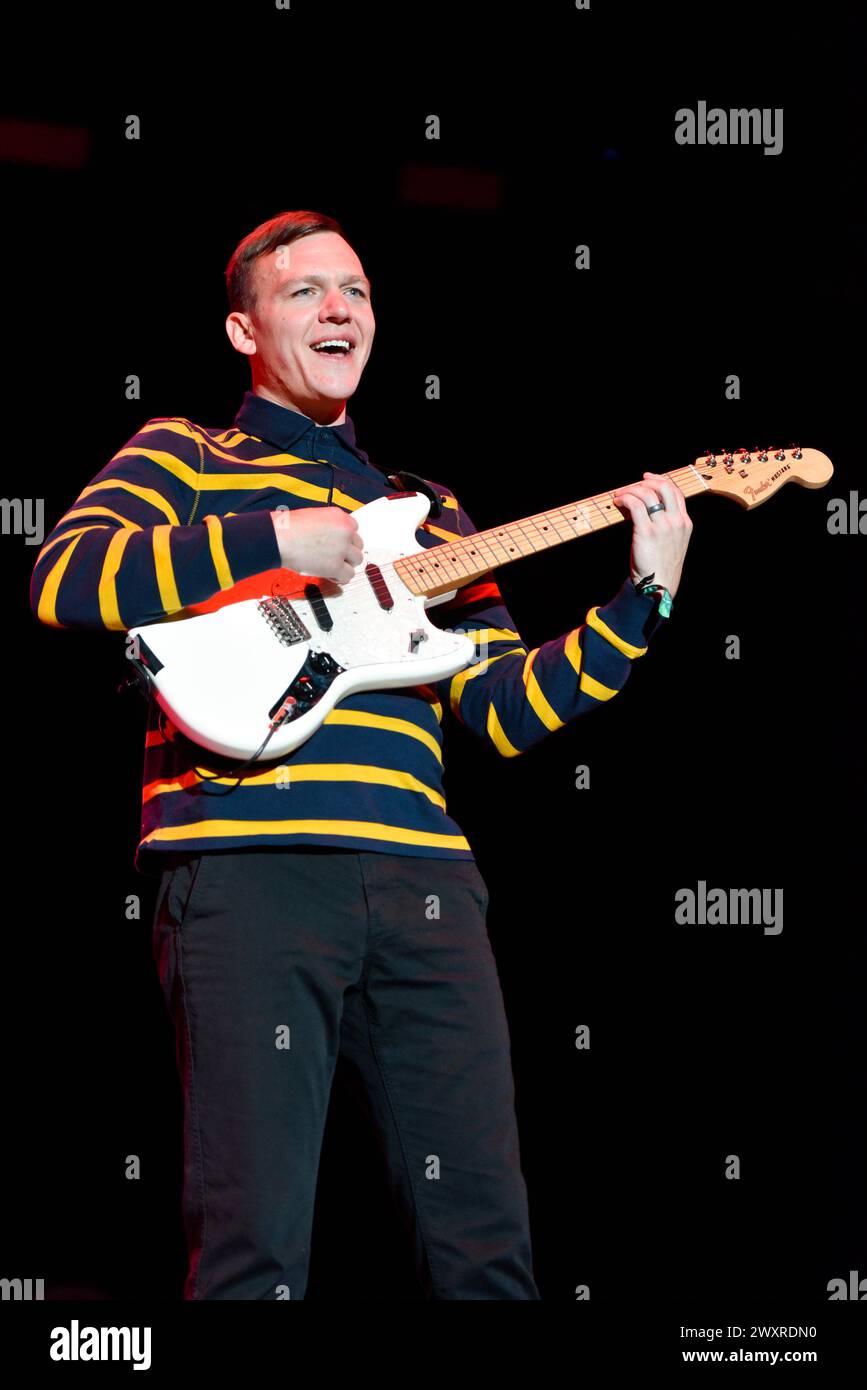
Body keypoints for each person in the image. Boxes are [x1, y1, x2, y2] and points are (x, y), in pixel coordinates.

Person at [29, 209, 693, 1300]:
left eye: (358, 291)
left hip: (428, 884)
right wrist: (275, 540)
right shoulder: (185, 453)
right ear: (244, 330)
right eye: (306, 292)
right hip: (250, 872)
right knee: (255, 1250)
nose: (340, 309)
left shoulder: (431, 518)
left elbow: (503, 709)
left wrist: (645, 596)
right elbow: (65, 578)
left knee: (485, 1248)